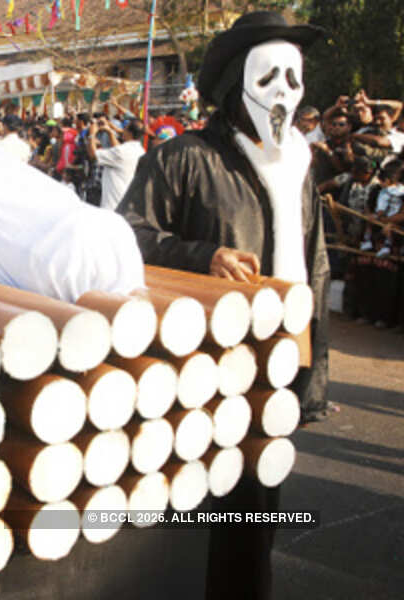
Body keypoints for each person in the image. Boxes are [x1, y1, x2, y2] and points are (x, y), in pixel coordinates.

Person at [118, 12, 328, 600]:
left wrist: (313, 372)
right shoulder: (183, 158)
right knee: (192, 504)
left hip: (279, 357)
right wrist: (201, 255)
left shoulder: (303, 166)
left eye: (294, 76)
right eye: (268, 78)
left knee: (258, 499)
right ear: (237, 82)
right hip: (203, 359)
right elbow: (126, 236)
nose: (283, 91)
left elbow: (314, 265)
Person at [87, 117, 145, 210]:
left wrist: (92, 133)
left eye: (125, 128)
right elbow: (119, 150)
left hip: (113, 204)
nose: (123, 130)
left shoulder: (121, 152)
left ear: (129, 133)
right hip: (126, 202)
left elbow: (93, 154)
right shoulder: (140, 150)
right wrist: (110, 132)